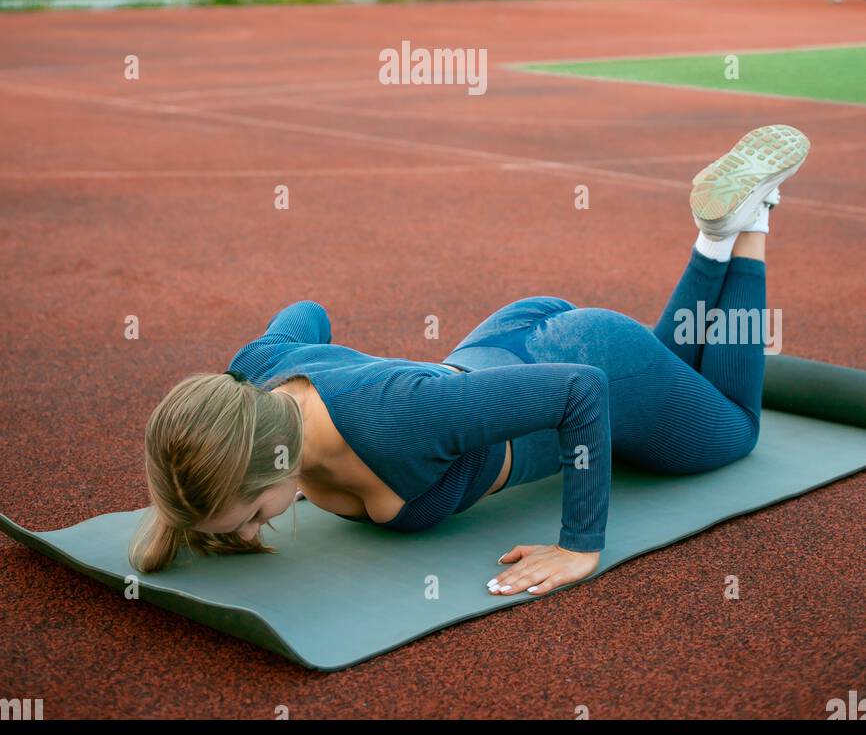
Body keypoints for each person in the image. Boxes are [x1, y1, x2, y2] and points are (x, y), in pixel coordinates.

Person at [130, 124, 810, 599]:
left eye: (250, 517)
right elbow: (305, 312)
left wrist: (579, 542)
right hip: (509, 345)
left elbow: (584, 391)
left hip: (583, 359)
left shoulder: (399, 421)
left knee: (732, 430)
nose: (259, 530)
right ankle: (714, 236)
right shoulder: (258, 376)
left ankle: (751, 225)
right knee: (671, 371)